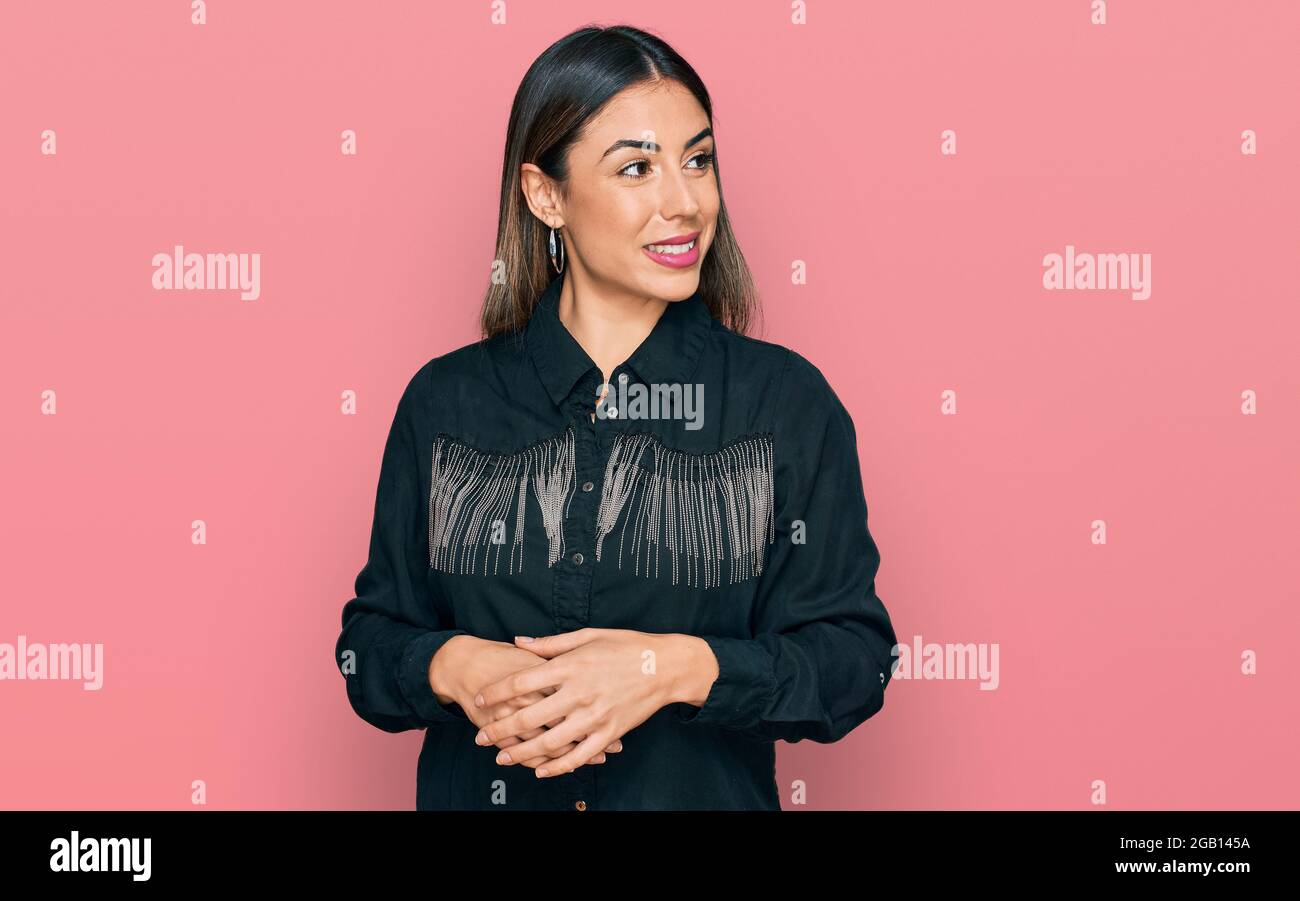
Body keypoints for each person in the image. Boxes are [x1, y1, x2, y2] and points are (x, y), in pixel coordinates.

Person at [335, 24, 898, 811]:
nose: (685, 202)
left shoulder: (785, 405)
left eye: (698, 161)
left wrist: (672, 670)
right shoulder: (444, 404)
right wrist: (452, 665)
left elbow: (854, 660)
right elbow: (369, 644)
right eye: (637, 168)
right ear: (546, 195)